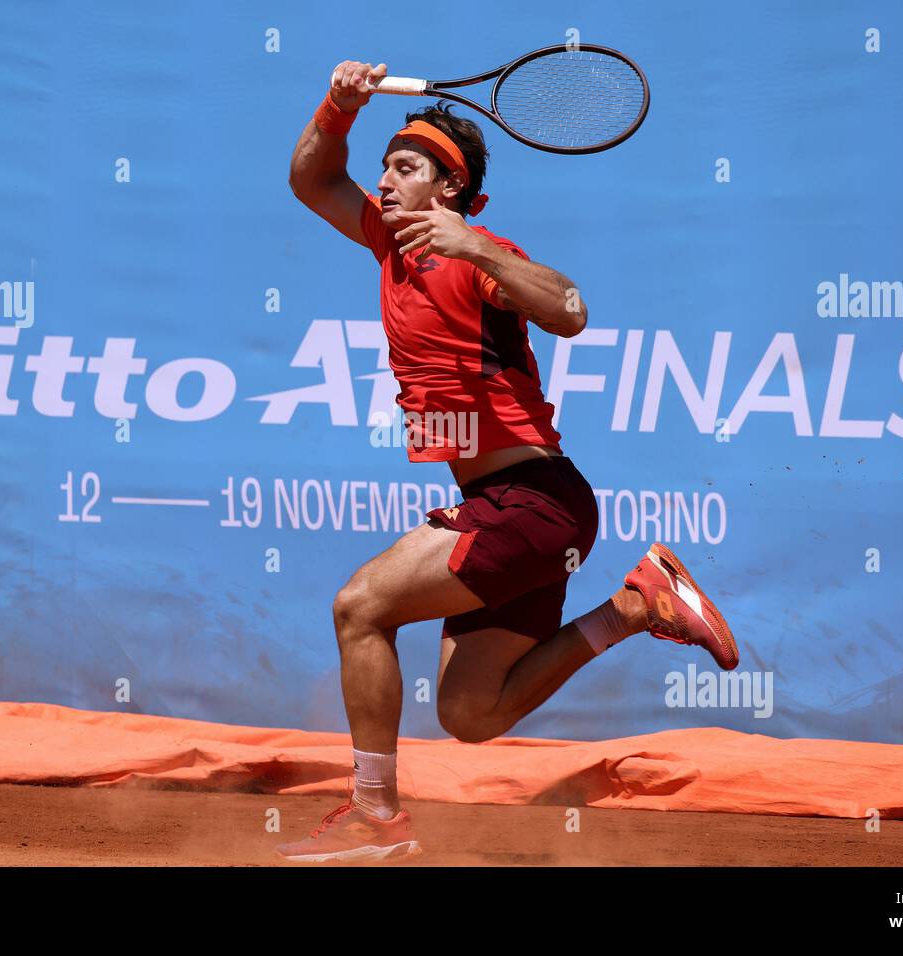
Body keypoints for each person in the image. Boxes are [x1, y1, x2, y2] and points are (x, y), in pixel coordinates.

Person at [279, 60, 738, 862]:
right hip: (521, 509)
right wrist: (339, 105)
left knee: (361, 607)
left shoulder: (473, 255)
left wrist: (479, 250)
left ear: (449, 191)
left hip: (532, 502)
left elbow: (572, 309)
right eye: (384, 165)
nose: (383, 180)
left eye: (405, 167)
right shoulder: (389, 245)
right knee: (472, 715)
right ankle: (634, 606)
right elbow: (311, 178)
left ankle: (376, 816)